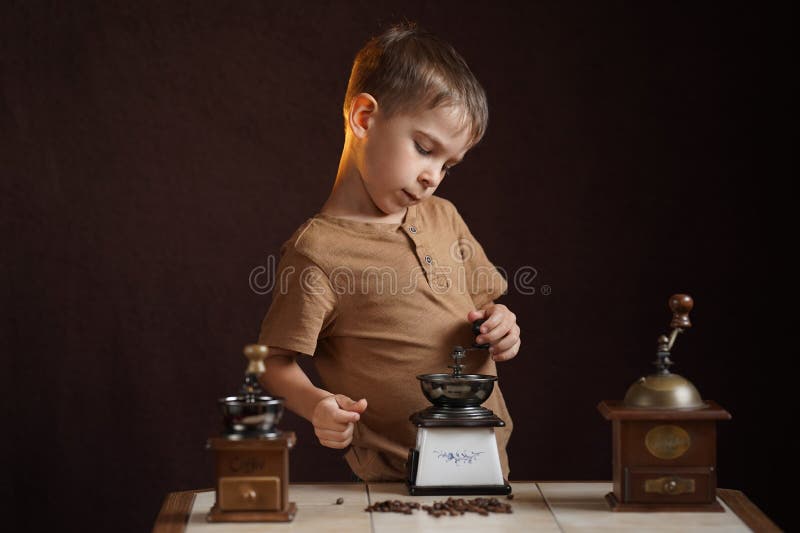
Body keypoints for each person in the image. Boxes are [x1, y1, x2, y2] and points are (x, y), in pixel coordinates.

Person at [257, 21, 521, 482]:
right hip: (398, 482)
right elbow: (272, 362)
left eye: (448, 165)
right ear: (363, 118)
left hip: (489, 468)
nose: (433, 176)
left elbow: (487, 307)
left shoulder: (444, 216)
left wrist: (504, 327)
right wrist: (318, 404)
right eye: (423, 148)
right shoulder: (317, 252)